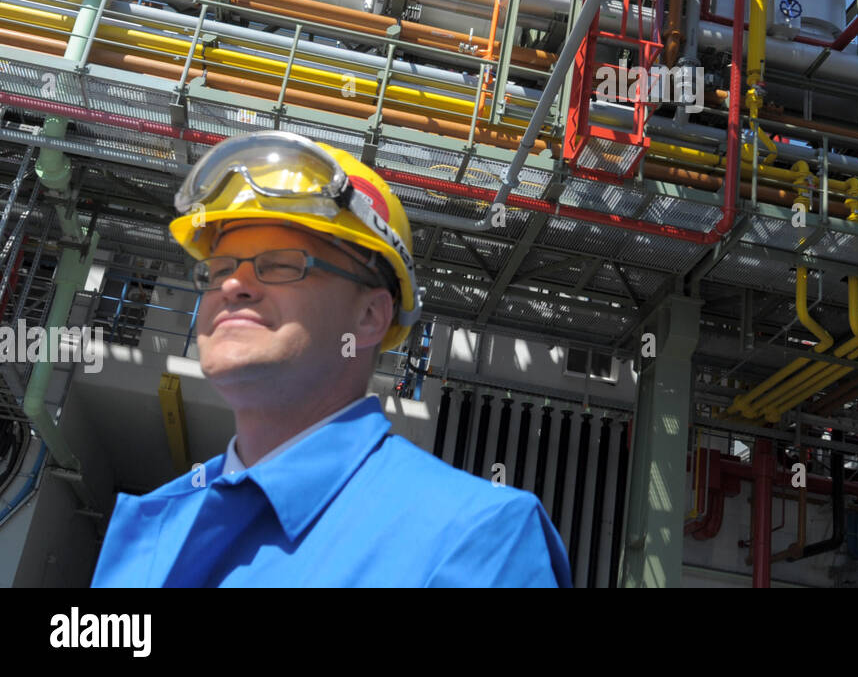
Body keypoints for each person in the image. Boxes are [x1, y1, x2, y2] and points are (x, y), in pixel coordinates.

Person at [91, 130, 570, 587]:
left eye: (279, 264)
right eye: (218, 270)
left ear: (368, 316)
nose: (232, 285)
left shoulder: (477, 539)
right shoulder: (156, 524)